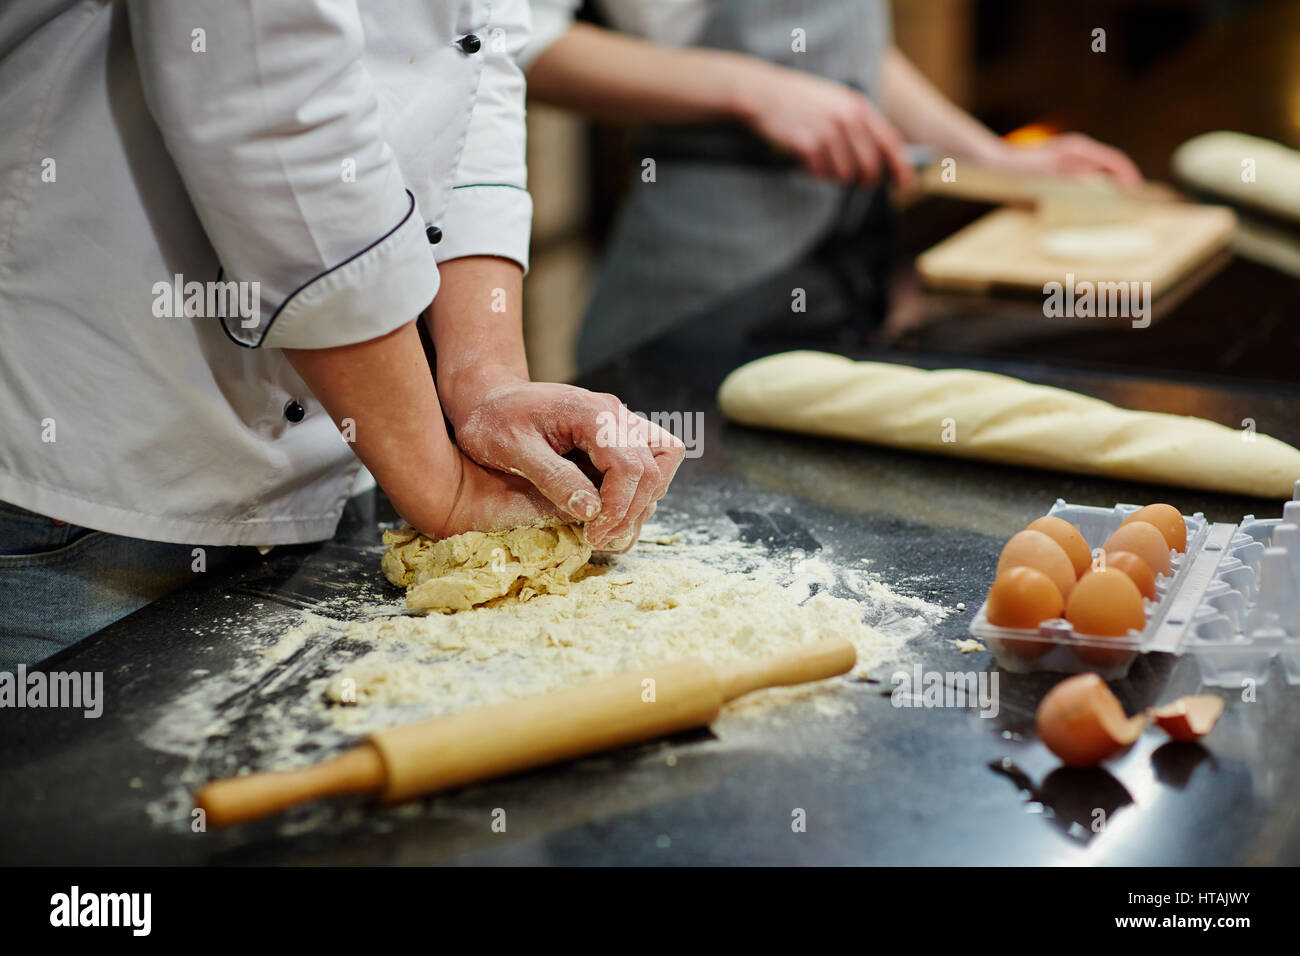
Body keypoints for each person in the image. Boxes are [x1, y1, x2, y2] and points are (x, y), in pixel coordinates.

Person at [0, 1, 683, 668]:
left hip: (353, 448)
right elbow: (272, 106)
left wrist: (487, 380)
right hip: (95, 471)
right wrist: (436, 481)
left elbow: (472, 60)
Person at [521, 0, 1144, 371]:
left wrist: (988, 157)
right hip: (710, 273)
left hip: (852, 250)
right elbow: (516, 38)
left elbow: (843, 48)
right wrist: (752, 88)